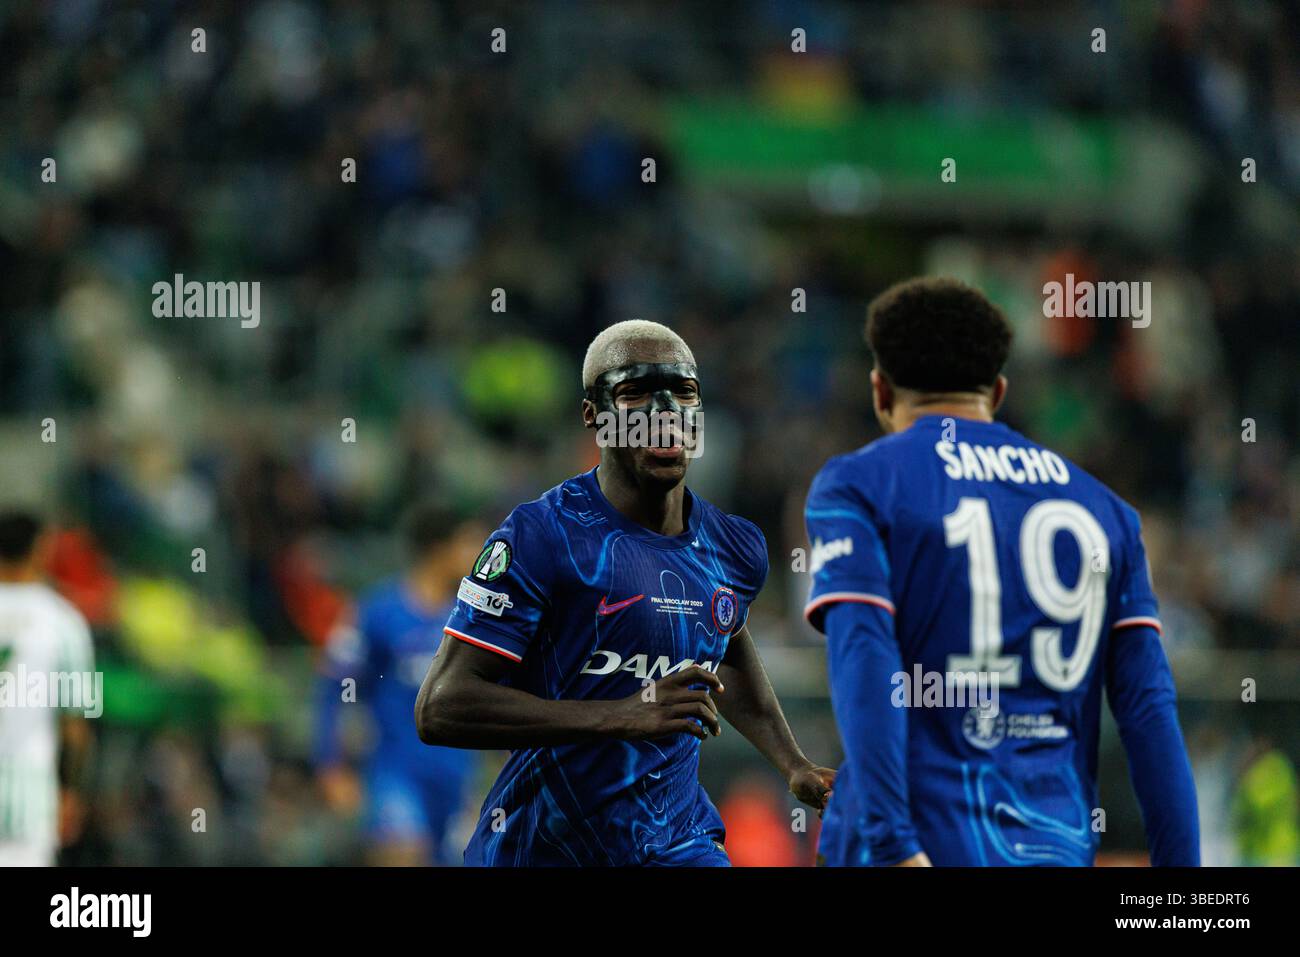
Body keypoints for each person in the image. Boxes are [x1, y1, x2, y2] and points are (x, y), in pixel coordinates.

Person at [804, 277, 1199, 866]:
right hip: (1053, 847)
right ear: (1000, 391)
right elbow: (1148, 711)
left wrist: (892, 844)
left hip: (920, 844)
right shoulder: (1107, 514)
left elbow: (865, 657)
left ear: (880, 390)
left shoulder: (860, 485)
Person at [415, 319, 835, 866]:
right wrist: (622, 715)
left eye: (683, 391)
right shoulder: (541, 536)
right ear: (594, 415)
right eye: (635, 392)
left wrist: (793, 762)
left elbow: (726, 647)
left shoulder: (735, 547)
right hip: (545, 844)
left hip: (677, 842)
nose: (664, 413)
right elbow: (442, 707)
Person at [315, 505, 484, 865]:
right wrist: (332, 764)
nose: (480, 554)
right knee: (402, 854)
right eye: (470, 543)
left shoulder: (474, 621)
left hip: (456, 780)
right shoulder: (378, 612)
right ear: (440, 549)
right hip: (396, 772)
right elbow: (334, 685)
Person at [0, 510, 95, 867]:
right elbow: (78, 722)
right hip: (30, 800)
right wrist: (71, 791)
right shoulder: (65, 622)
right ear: (41, 550)